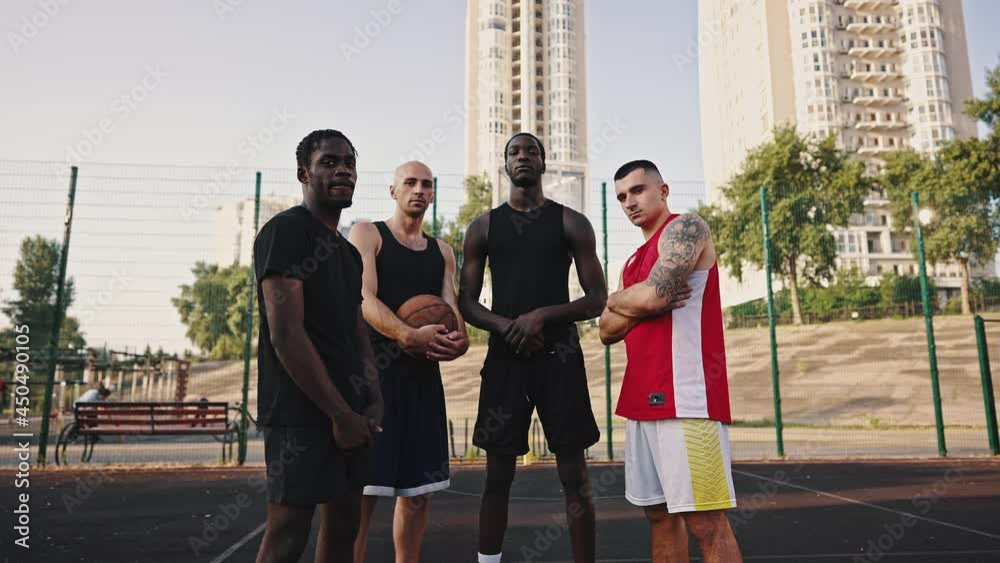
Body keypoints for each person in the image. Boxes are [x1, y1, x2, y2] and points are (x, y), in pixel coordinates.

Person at [458, 132, 607, 563]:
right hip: (506, 361)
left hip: (560, 359)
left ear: (543, 162)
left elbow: (597, 298)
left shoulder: (571, 222)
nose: (522, 156)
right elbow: (466, 301)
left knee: (574, 475)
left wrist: (541, 316)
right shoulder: (483, 227)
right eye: (514, 152)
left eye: (531, 151)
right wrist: (507, 326)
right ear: (505, 165)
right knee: (497, 477)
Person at [600, 160, 742, 563]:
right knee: (660, 518)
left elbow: (655, 296)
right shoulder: (631, 262)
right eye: (622, 197)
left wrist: (624, 300)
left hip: (688, 399)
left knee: (706, 524)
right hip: (640, 402)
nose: (630, 202)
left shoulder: (686, 228)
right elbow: (606, 329)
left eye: (638, 190)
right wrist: (634, 299)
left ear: (662, 191)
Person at [253, 129, 383, 563]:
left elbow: (357, 330)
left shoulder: (347, 253)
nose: (343, 169)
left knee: (345, 526)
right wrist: (338, 413)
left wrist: (373, 397)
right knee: (288, 533)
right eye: (329, 162)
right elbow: (286, 333)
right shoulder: (286, 231)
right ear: (303, 174)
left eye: (349, 162)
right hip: (300, 411)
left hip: (351, 410)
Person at [350, 160, 469, 562]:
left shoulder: (443, 251)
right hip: (372, 381)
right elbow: (363, 298)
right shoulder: (368, 234)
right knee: (362, 494)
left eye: (427, 184)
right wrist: (406, 333)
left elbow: (451, 309)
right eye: (410, 182)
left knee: (417, 497)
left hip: (422, 383)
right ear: (393, 190)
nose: (419, 189)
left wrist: (458, 342)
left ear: (433, 194)